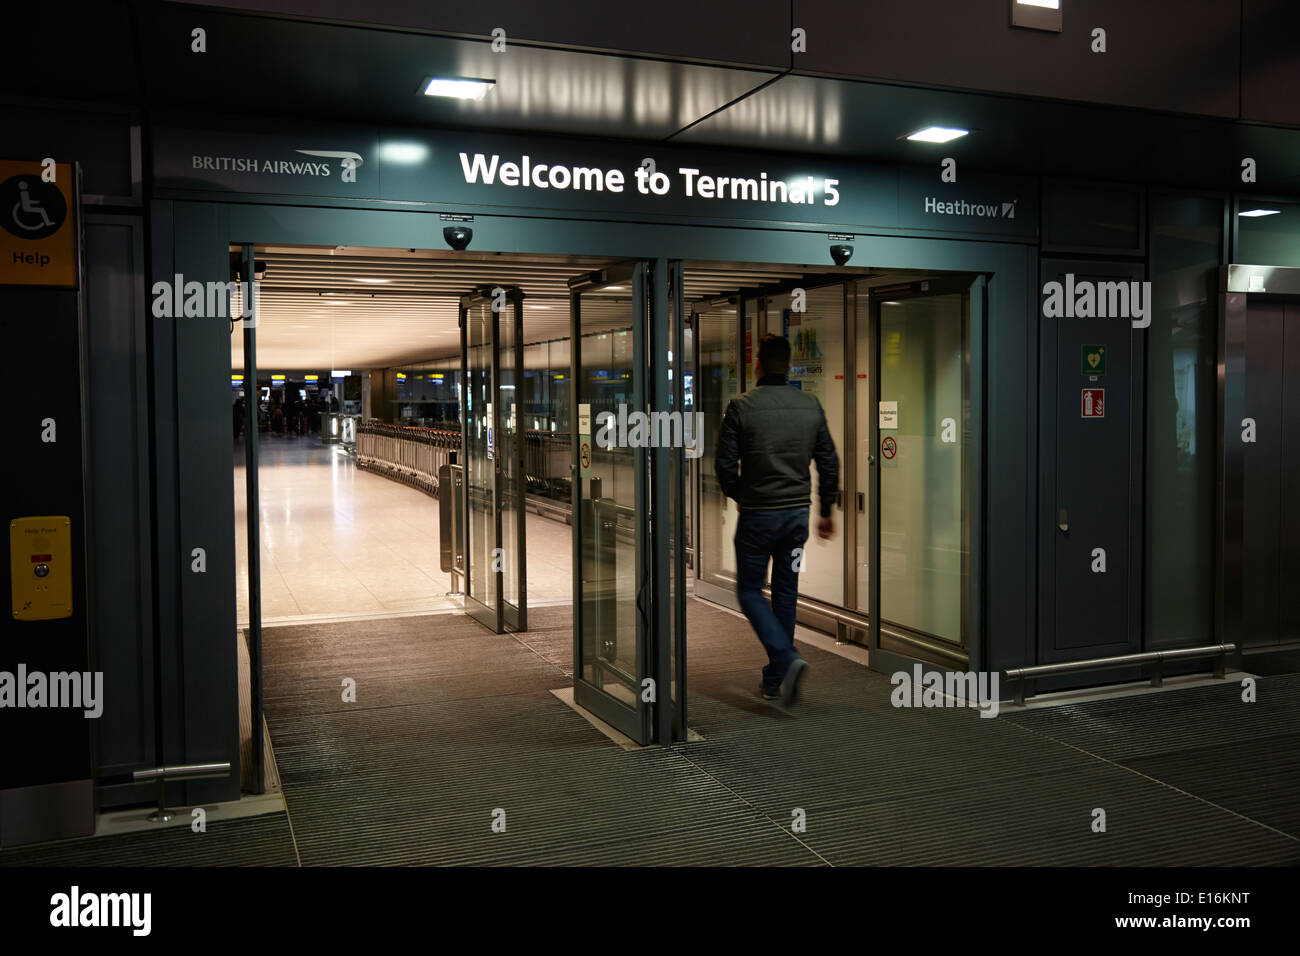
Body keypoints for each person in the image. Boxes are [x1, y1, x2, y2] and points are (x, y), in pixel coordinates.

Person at [715, 334, 839, 705]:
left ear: (757, 365)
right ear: (788, 365)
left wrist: (740, 494)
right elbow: (829, 463)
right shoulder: (810, 405)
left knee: (750, 591)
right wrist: (826, 512)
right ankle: (775, 680)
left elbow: (724, 466)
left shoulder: (740, 407)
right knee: (786, 592)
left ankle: (785, 659)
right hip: (796, 519)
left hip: (757, 518)